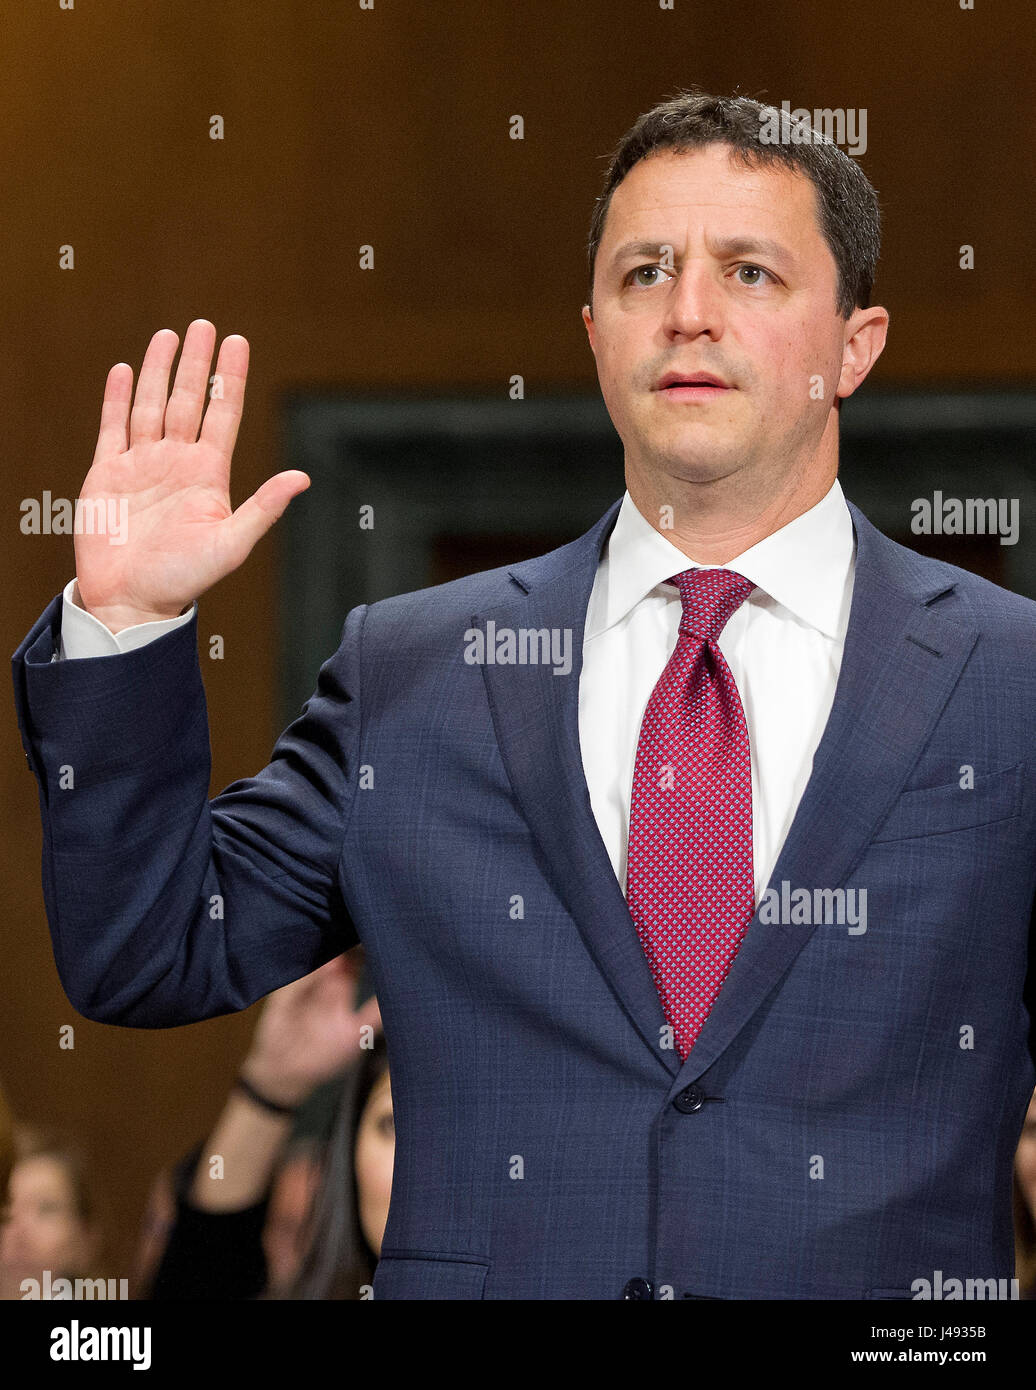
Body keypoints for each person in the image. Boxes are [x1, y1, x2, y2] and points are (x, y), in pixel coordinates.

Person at [11, 88, 1036, 1299]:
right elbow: (151, 950)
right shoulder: (415, 667)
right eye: (644, 271)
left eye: (750, 273)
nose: (689, 312)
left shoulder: (1007, 675)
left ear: (854, 343)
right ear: (595, 329)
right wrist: (128, 624)